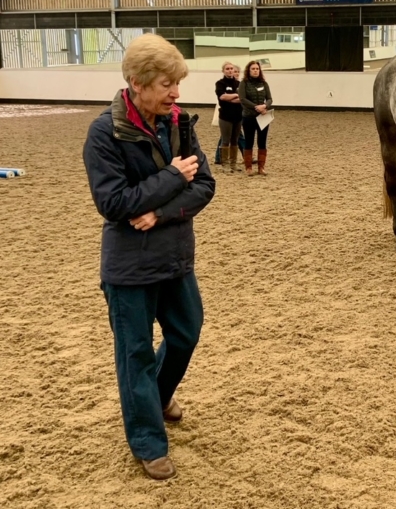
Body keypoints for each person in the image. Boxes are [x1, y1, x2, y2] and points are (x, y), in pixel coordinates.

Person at [82, 34, 216, 480]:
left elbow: (205, 184)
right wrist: (173, 175)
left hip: (175, 256)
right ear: (137, 83)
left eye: (177, 83)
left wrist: (158, 211)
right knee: (135, 353)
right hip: (129, 266)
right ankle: (148, 442)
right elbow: (114, 203)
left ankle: (156, 396)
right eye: (166, 84)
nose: (176, 93)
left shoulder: (178, 122)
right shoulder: (105, 132)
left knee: (186, 333)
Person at [239, 60, 273, 176]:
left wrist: (265, 106)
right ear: (249, 71)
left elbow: (269, 99)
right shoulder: (244, 83)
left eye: (257, 69)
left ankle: (261, 167)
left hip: (263, 116)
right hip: (249, 116)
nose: (255, 71)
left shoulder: (264, 83)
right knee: (249, 141)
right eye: (253, 69)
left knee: (262, 142)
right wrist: (256, 107)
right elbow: (242, 99)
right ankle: (248, 167)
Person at [215, 61, 242, 173]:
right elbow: (222, 97)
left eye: (231, 68)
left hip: (238, 116)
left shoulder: (239, 84)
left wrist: (230, 98)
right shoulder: (220, 83)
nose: (230, 70)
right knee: (225, 140)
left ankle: (233, 164)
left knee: (235, 140)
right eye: (227, 69)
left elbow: (243, 99)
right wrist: (236, 95)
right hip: (225, 117)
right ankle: (225, 164)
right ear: (223, 71)